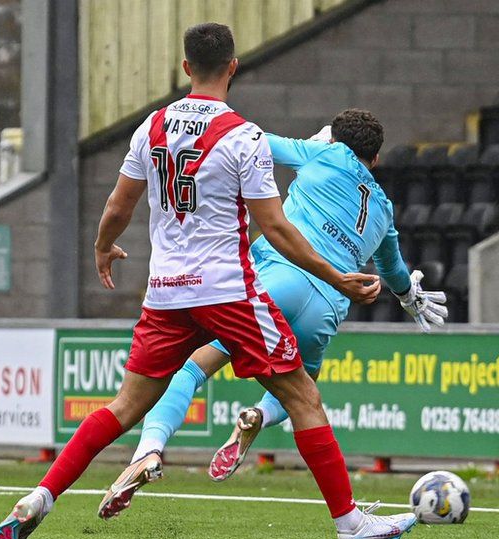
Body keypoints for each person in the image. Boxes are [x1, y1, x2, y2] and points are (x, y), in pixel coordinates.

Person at [0, 23, 415, 539]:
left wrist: (103, 248)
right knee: (304, 397)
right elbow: (279, 231)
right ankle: (350, 525)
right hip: (228, 292)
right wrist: (337, 278)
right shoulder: (244, 137)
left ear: (186, 66)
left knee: (124, 406)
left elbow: (119, 206)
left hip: (166, 293)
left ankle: (41, 495)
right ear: (233, 67)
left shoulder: (152, 125)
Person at [98, 109, 449, 517]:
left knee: (193, 367)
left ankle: (149, 449)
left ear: (335, 142)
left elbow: (254, 140)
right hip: (327, 307)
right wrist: (410, 297)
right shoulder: (384, 210)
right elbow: (392, 270)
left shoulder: (323, 155)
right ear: (375, 160)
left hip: (279, 282)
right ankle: (259, 415)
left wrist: (314, 144)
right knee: (303, 389)